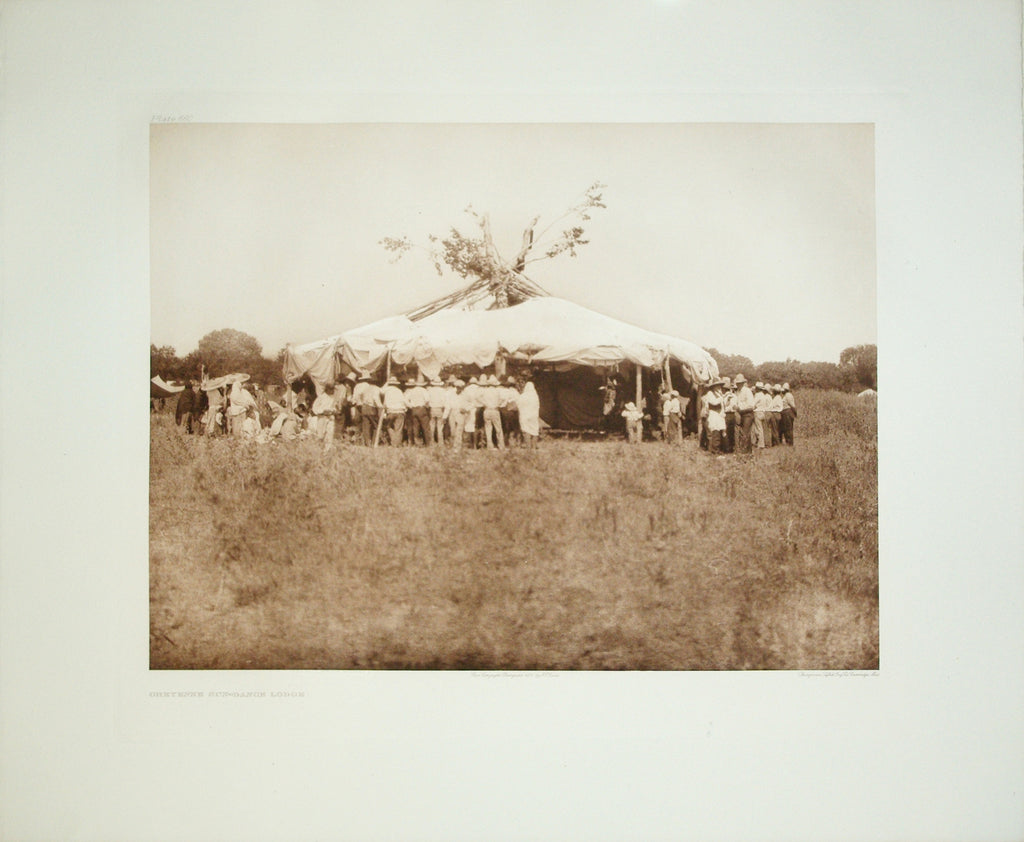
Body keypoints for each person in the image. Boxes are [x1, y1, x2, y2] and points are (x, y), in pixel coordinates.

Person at [351, 373, 382, 446]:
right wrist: (380, 406)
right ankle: (374, 443)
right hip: (371, 407)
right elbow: (376, 399)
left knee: (366, 426)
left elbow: (359, 396)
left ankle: (367, 443)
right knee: (375, 425)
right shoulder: (376, 388)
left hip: (363, 407)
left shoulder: (364, 388)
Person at [311, 381, 340, 452]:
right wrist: (322, 411)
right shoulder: (321, 397)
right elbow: (314, 408)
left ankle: (327, 451)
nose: (332, 391)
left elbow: (335, 407)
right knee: (320, 435)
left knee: (330, 434)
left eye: (333, 389)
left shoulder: (333, 398)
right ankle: (318, 449)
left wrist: (334, 411)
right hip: (322, 417)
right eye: (331, 389)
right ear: (327, 390)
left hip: (330, 417)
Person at [480, 374, 505, 449]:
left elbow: (478, 398)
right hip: (494, 410)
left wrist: (485, 404)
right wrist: (498, 404)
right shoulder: (497, 391)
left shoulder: (485, 391)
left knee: (488, 428)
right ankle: (501, 445)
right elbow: (502, 399)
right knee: (498, 428)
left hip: (487, 410)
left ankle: (489, 446)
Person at [404, 376, 429, 446]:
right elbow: (427, 400)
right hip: (422, 408)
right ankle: (427, 443)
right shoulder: (424, 390)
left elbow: (405, 400)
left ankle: (416, 442)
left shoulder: (412, 391)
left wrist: (410, 405)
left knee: (415, 427)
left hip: (414, 409)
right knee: (425, 427)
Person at [382, 377, 407, 446]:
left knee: (388, 426)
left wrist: (386, 383)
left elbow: (381, 391)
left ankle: (394, 442)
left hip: (391, 411)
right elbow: (404, 400)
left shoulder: (387, 390)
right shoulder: (399, 391)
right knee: (398, 429)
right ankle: (397, 443)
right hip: (400, 410)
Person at [516, 380, 541, 448]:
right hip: (534, 415)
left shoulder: (523, 396)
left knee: (526, 430)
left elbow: (518, 405)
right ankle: (534, 446)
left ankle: (528, 446)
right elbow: (538, 406)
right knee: (535, 431)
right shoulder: (535, 396)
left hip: (525, 415)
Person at [705, 380, 727, 455]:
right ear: (713, 387)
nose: (718, 387)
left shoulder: (719, 394)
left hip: (719, 415)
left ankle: (718, 449)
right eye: (717, 386)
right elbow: (714, 402)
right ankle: (715, 450)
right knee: (715, 432)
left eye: (719, 386)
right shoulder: (710, 393)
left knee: (720, 432)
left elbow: (722, 405)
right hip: (713, 414)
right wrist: (722, 398)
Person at [499, 376, 520, 446]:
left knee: (506, 427)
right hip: (514, 411)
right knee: (516, 427)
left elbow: (505, 401)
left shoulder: (506, 391)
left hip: (507, 410)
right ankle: (517, 441)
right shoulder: (516, 392)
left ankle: (506, 441)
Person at [462, 376, 482, 448]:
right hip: (477, 409)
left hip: (469, 409)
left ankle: (470, 443)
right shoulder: (479, 389)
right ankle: (476, 444)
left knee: (469, 426)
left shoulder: (466, 389)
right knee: (476, 426)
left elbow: (464, 400)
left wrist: (466, 408)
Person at [427, 376, 448, 446]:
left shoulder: (430, 390)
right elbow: (445, 401)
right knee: (440, 426)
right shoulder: (443, 391)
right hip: (440, 408)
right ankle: (440, 442)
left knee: (432, 425)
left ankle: (432, 441)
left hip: (432, 408)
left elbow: (427, 400)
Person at [722, 377, 738, 453]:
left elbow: (723, 406)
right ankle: (732, 447)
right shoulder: (734, 396)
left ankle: (726, 448)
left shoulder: (723, 397)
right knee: (732, 432)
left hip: (726, 414)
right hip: (733, 414)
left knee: (725, 432)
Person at [752, 382, 769, 449]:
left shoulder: (757, 395)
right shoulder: (763, 395)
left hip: (757, 412)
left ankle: (761, 444)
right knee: (760, 428)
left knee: (758, 429)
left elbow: (753, 404)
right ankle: (760, 443)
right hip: (763, 412)